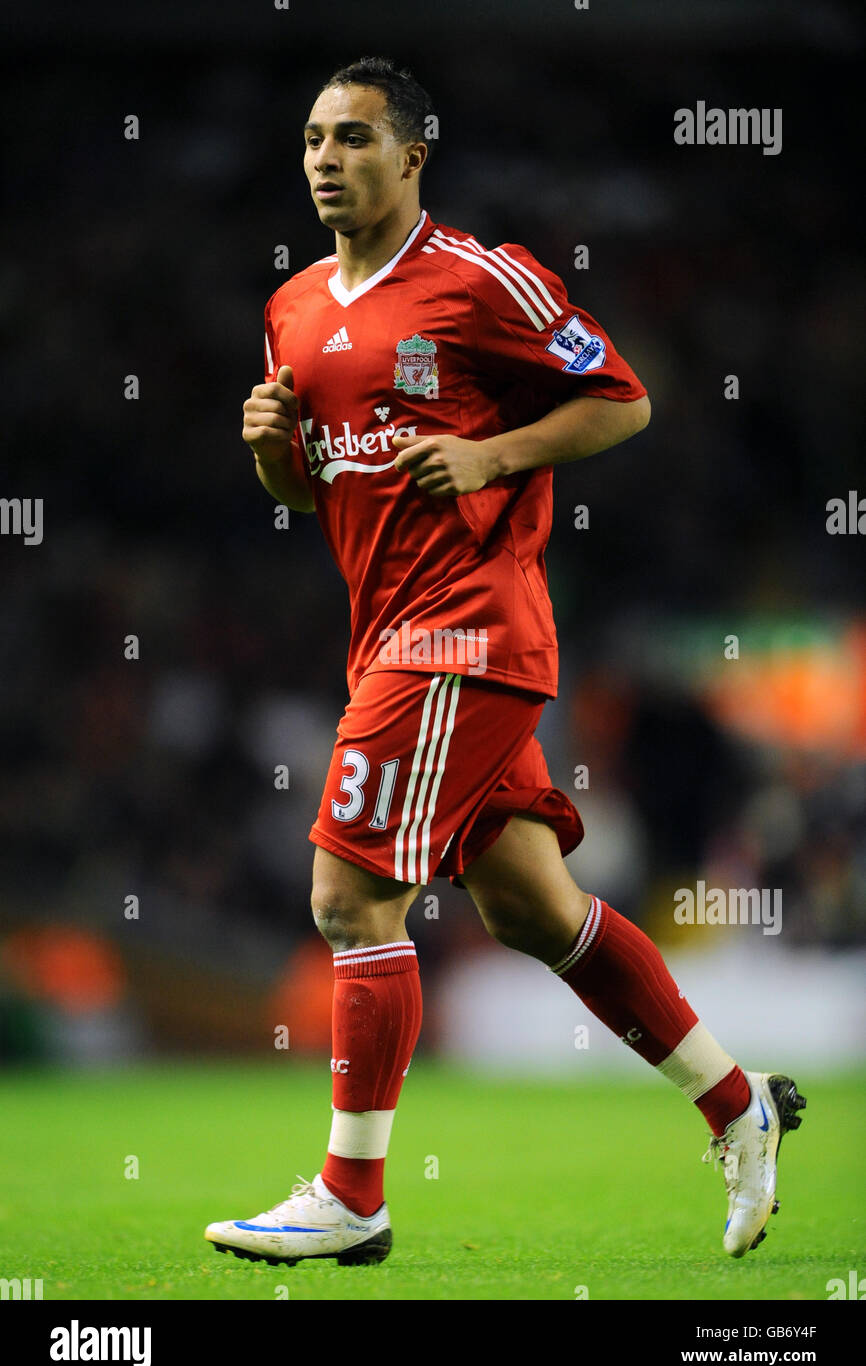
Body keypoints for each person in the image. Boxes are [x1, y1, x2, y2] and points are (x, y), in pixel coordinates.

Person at [205, 56, 804, 1269]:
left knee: (348, 892)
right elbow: (306, 483)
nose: (325, 158)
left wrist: (493, 456)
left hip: (462, 631)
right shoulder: (291, 307)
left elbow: (622, 399)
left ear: (411, 154)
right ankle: (733, 1102)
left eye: (354, 138)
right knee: (536, 909)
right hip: (387, 631)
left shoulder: (480, 281)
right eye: (313, 137)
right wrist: (270, 450)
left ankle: (351, 1194)